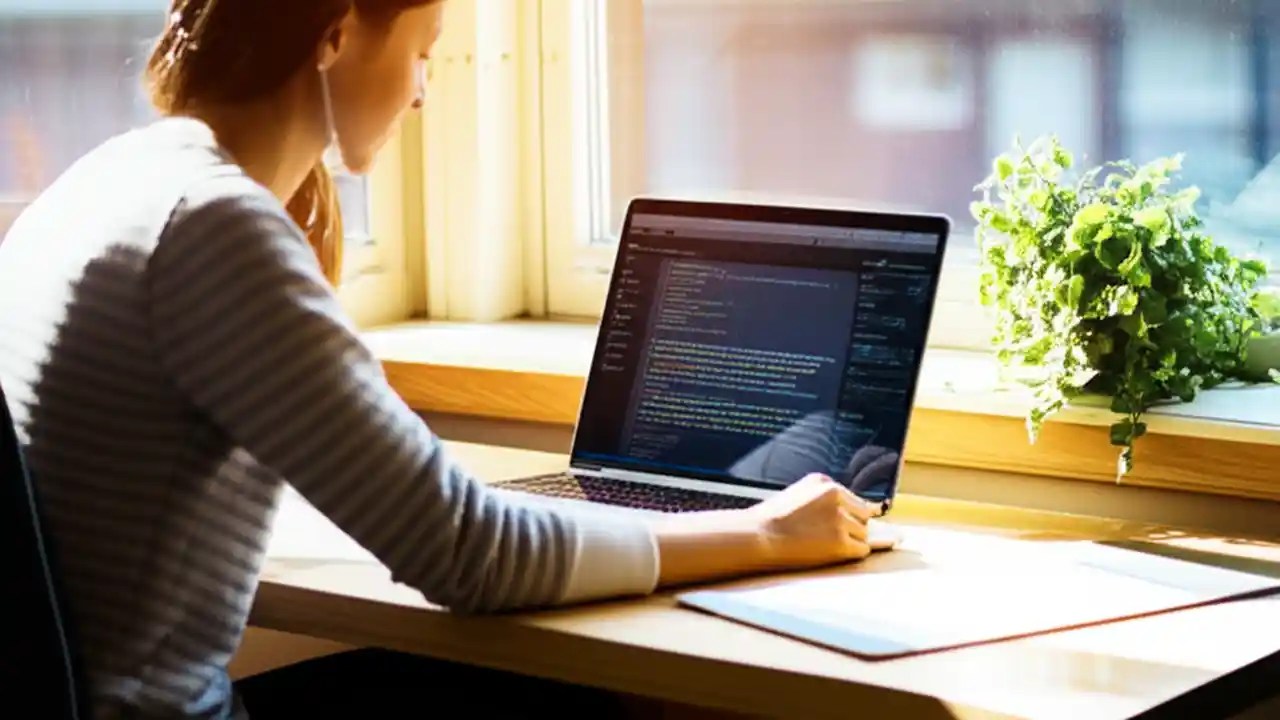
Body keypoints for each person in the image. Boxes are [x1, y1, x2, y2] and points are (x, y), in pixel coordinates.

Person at [0, 1, 891, 717]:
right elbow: (471, 555)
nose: (425, 90)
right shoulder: (214, 226)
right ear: (336, 34)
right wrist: (769, 532)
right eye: (425, 47)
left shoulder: (108, 180)